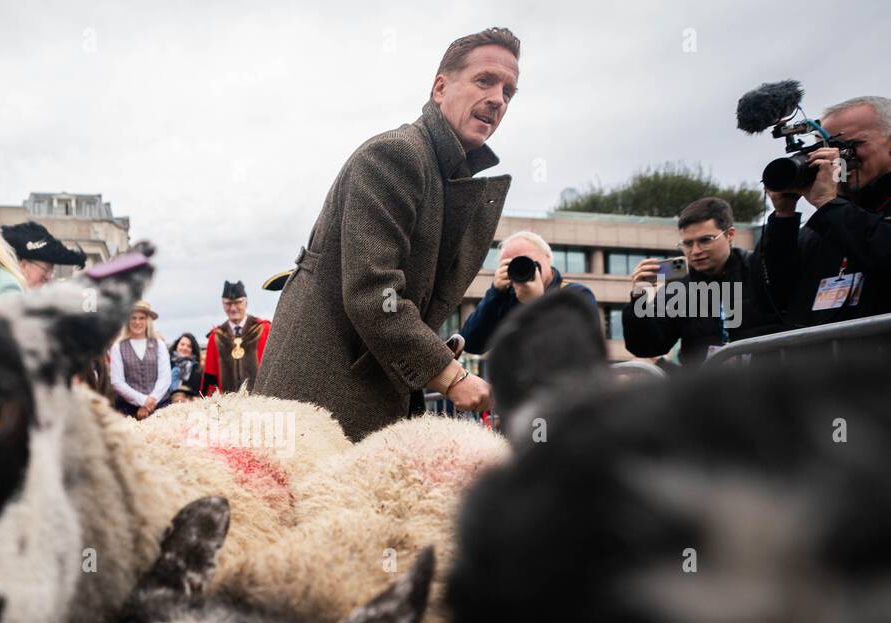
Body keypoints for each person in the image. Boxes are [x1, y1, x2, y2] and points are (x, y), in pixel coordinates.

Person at [254, 28, 517, 440]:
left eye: (509, 91)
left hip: (348, 406)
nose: (498, 99)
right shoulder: (396, 154)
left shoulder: (439, 171)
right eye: (485, 80)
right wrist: (451, 376)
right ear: (440, 87)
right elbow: (373, 292)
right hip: (320, 404)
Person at [759, 95, 891, 328]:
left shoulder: (832, 213)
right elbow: (775, 298)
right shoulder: (824, 222)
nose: (838, 158)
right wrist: (784, 218)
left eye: (851, 145)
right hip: (819, 361)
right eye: (827, 148)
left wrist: (829, 205)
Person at [622, 197, 781, 367]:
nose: (696, 251)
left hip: (766, 385)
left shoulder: (759, 271)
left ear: (730, 235)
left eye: (705, 240)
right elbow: (648, 347)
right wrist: (640, 297)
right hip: (704, 389)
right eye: (687, 243)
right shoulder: (678, 287)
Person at [460, 231, 599, 354]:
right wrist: (495, 293)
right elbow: (471, 344)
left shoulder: (575, 295)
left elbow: (577, 349)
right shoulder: (505, 298)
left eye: (526, 261)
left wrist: (536, 303)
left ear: (548, 257)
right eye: (511, 265)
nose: (521, 268)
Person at [201, 281, 271, 396]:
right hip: (227, 407)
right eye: (228, 303)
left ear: (246, 302)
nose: (233, 308)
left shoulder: (263, 330)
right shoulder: (216, 337)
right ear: (222, 304)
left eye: (238, 303)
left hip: (260, 403)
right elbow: (210, 376)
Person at [109, 300, 171, 419]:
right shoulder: (118, 347)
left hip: (159, 406)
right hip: (127, 408)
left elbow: (165, 377)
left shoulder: (159, 344)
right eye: (133, 318)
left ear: (148, 321)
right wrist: (142, 400)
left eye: (142, 318)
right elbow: (117, 381)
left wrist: (151, 400)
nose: (137, 322)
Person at [0, 221, 88, 288]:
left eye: (51, 272)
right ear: (23, 265)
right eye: (46, 270)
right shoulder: (3, 293)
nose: (49, 278)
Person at [169, 333, 204, 397]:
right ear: (177, 346)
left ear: (193, 350)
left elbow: (196, 391)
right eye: (182, 344)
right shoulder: (167, 364)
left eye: (189, 346)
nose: (185, 348)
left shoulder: (196, 368)